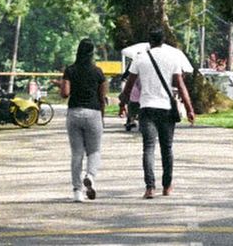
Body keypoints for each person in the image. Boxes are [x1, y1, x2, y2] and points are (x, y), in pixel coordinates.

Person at [119, 27, 195, 199]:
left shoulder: (139, 58)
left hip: (146, 108)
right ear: (163, 40)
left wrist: (122, 105)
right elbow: (180, 85)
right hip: (167, 109)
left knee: (148, 148)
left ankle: (150, 188)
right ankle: (167, 186)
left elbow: (129, 86)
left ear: (149, 41)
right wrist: (190, 108)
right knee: (167, 148)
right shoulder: (173, 58)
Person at [62, 39, 107, 202]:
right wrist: (102, 117)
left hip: (74, 113)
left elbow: (65, 93)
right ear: (92, 53)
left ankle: (77, 191)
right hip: (93, 112)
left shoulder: (70, 70)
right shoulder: (98, 72)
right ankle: (90, 176)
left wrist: (63, 84)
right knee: (94, 151)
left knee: (77, 153)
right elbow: (102, 98)